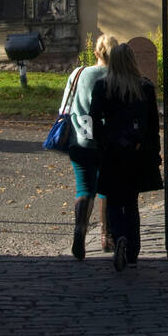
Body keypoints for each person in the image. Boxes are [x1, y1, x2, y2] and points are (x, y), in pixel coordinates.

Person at [89, 43, 162, 271]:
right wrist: (154, 152)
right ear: (132, 61)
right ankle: (132, 250)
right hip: (136, 151)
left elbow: (93, 118)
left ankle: (118, 235)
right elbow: (153, 126)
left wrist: (101, 141)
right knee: (131, 202)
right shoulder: (144, 88)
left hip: (112, 150)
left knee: (112, 199)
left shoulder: (103, 86)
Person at [60, 33, 118, 259]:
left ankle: (79, 232)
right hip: (108, 142)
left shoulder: (78, 74)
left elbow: (64, 107)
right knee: (107, 190)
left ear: (96, 52)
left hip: (80, 139)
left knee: (84, 189)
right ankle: (107, 236)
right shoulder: (117, 76)